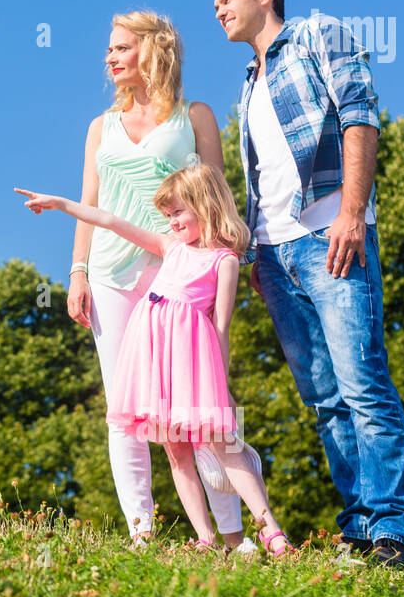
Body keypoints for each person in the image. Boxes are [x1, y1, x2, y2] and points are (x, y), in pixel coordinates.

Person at [212, 0, 404, 567]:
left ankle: (393, 529)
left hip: (330, 235)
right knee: (324, 397)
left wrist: (352, 212)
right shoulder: (248, 83)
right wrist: (255, 255)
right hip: (276, 256)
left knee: (363, 382)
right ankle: (358, 523)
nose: (220, 10)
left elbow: (358, 113)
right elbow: (262, 181)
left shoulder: (317, 34)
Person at [16, 163, 292, 557]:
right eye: (169, 215)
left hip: (191, 363)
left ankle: (272, 532)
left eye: (179, 211)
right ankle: (205, 540)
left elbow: (221, 327)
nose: (172, 221)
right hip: (153, 358)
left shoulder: (225, 261)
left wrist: (223, 389)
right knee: (176, 453)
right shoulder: (170, 247)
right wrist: (61, 204)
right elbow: (110, 220)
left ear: (205, 204)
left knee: (223, 447)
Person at [67, 11, 250, 551]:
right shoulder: (100, 127)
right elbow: (89, 204)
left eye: (122, 46)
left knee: (201, 407)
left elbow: (216, 198)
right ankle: (141, 531)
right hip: (111, 277)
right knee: (124, 408)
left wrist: (234, 261)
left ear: (154, 50)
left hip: (182, 274)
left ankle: (234, 535)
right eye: (109, 48)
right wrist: (78, 272)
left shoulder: (196, 117)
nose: (110, 56)